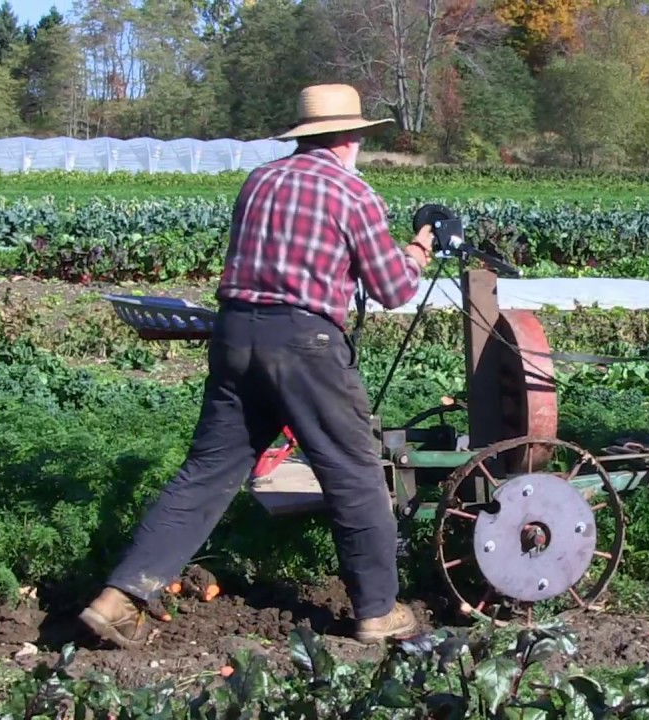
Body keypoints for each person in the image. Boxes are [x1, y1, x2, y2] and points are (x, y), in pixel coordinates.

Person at [79, 83, 435, 647]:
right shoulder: (352, 193)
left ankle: (120, 596)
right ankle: (377, 610)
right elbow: (391, 289)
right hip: (305, 344)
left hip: (236, 335)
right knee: (354, 472)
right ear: (350, 139)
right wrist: (419, 249)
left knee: (206, 473)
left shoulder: (260, 180)